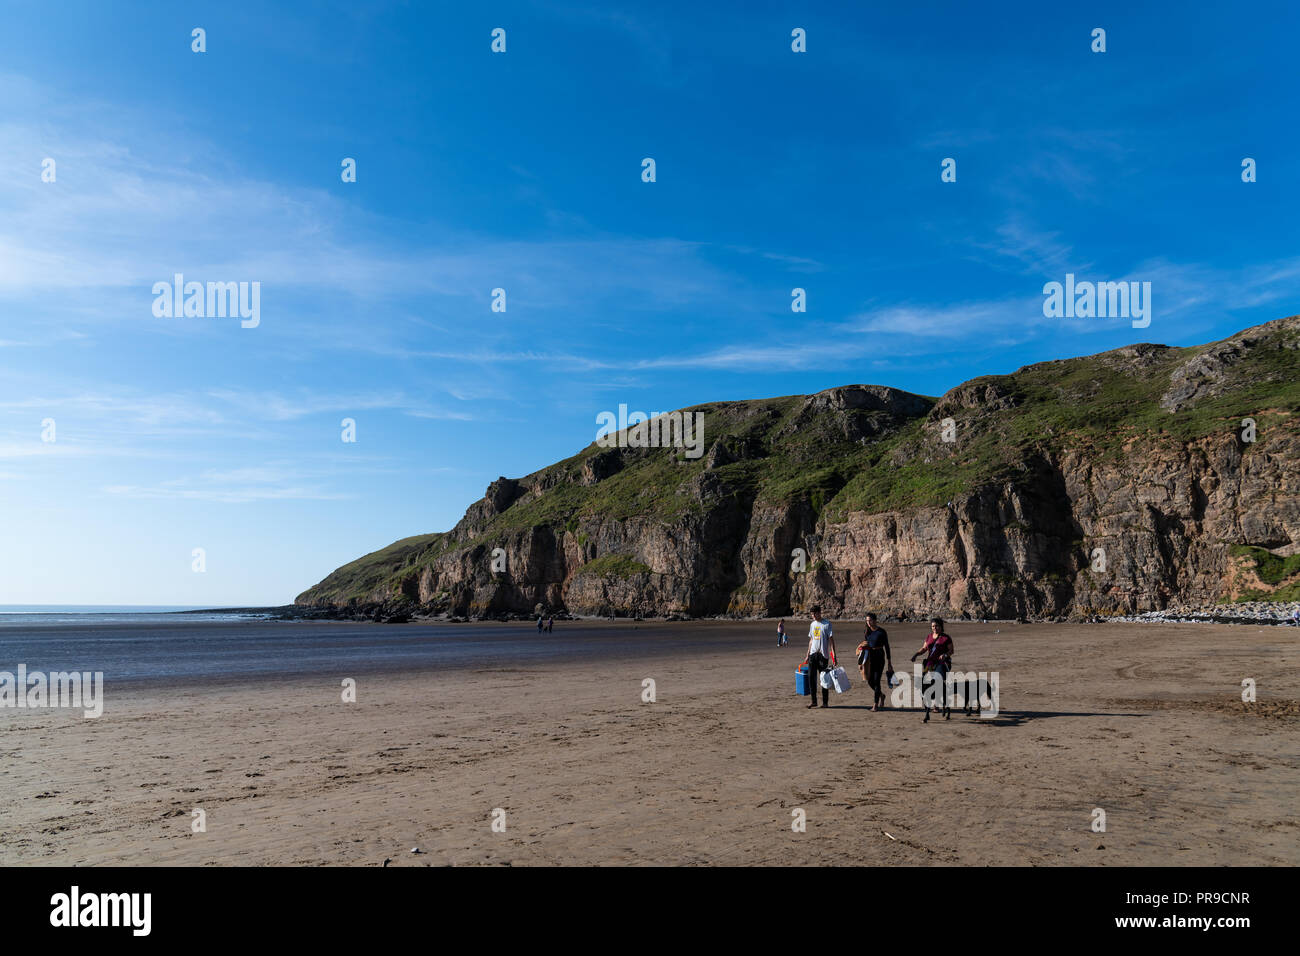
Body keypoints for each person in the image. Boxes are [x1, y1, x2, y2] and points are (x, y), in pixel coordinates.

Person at [910, 617, 953, 722]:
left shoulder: (946, 638)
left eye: (937, 626)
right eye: (933, 626)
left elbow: (951, 651)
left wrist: (945, 655)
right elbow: (924, 648)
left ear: (941, 626)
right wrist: (916, 654)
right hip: (930, 663)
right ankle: (928, 704)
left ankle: (937, 704)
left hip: (942, 663)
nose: (935, 628)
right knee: (922, 684)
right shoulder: (929, 637)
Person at [856, 613, 893, 711]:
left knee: (877, 680)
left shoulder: (881, 632)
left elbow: (887, 647)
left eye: (870, 620)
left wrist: (889, 662)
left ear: (875, 620)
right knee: (869, 680)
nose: (868, 622)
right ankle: (881, 695)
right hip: (869, 658)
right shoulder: (866, 631)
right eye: (867, 620)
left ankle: (875, 704)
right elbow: (866, 644)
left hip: (879, 656)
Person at [805, 605, 837, 709]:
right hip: (813, 655)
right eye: (812, 614)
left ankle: (825, 702)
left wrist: (834, 656)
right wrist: (807, 654)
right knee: (811, 677)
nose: (813, 616)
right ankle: (814, 701)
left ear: (819, 613)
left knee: (824, 679)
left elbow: (831, 641)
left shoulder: (827, 624)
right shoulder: (812, 624)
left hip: (823, 656)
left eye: (814, 613)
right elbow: (811, 640)